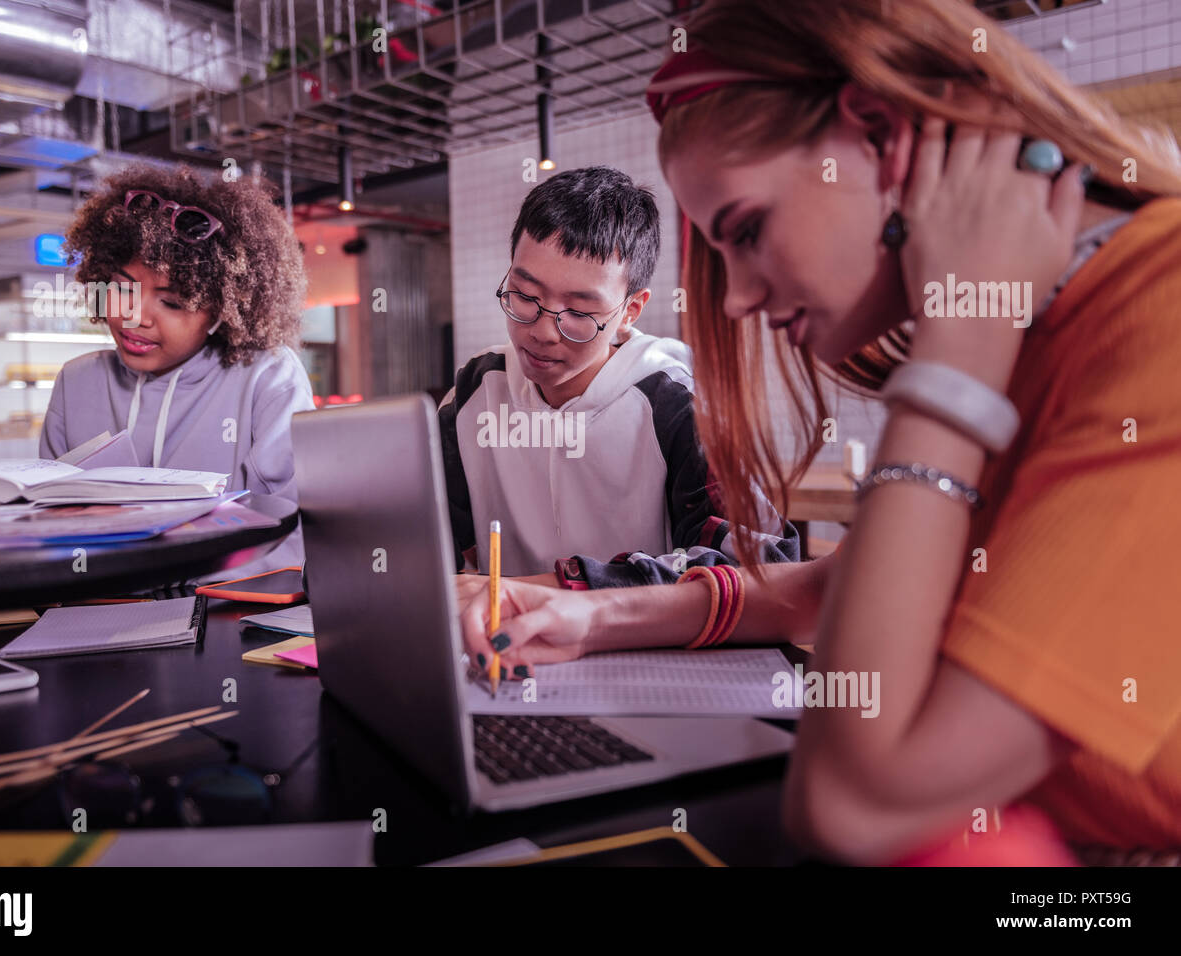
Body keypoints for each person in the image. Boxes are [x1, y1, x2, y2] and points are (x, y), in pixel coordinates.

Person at [457, 0, 1181, 860]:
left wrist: (952, 364)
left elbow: (857, 808)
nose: (735, 299)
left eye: (749, 230)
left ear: (877, 136)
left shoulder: (1158, 311)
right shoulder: (1051, 320)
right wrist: (592, 616)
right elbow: (836, 586)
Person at [441, 165, 797, 600]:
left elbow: (762, 563)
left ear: (630, 311)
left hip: (650, 658)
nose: (543, 331)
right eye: (524, 295)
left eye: (579, 311)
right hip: (518, 653)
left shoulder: (677, 402)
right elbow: (419, 540)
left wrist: (548, 590)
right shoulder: (475, 393)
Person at [40, 163, 314, 573]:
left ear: (223, 311)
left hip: (229, 610)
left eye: (172, 302)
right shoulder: (76, 382)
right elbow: (48, 522)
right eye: (120, 288)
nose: (134, 316)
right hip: (98, 607)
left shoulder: (267, 377)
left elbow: (296, 532)